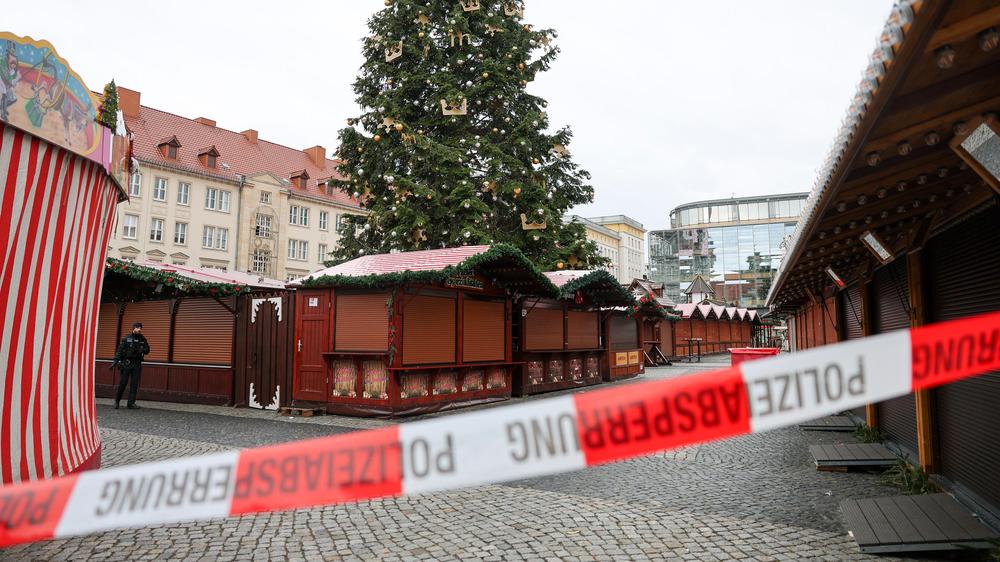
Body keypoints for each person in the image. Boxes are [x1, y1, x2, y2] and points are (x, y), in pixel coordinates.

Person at [113, 322, 149, 409]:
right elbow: (119, 350)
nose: (139, 329)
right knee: (123, 383)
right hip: (127, 363)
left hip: (136, 364)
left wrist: (143, 350)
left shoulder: (143, 339)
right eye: (137, 327)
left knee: (134, 384)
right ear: (133, 328)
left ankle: (131, 403)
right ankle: (117, 401)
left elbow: (147, 350)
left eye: (140, 327)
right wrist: (116, 360)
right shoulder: (126, 338)